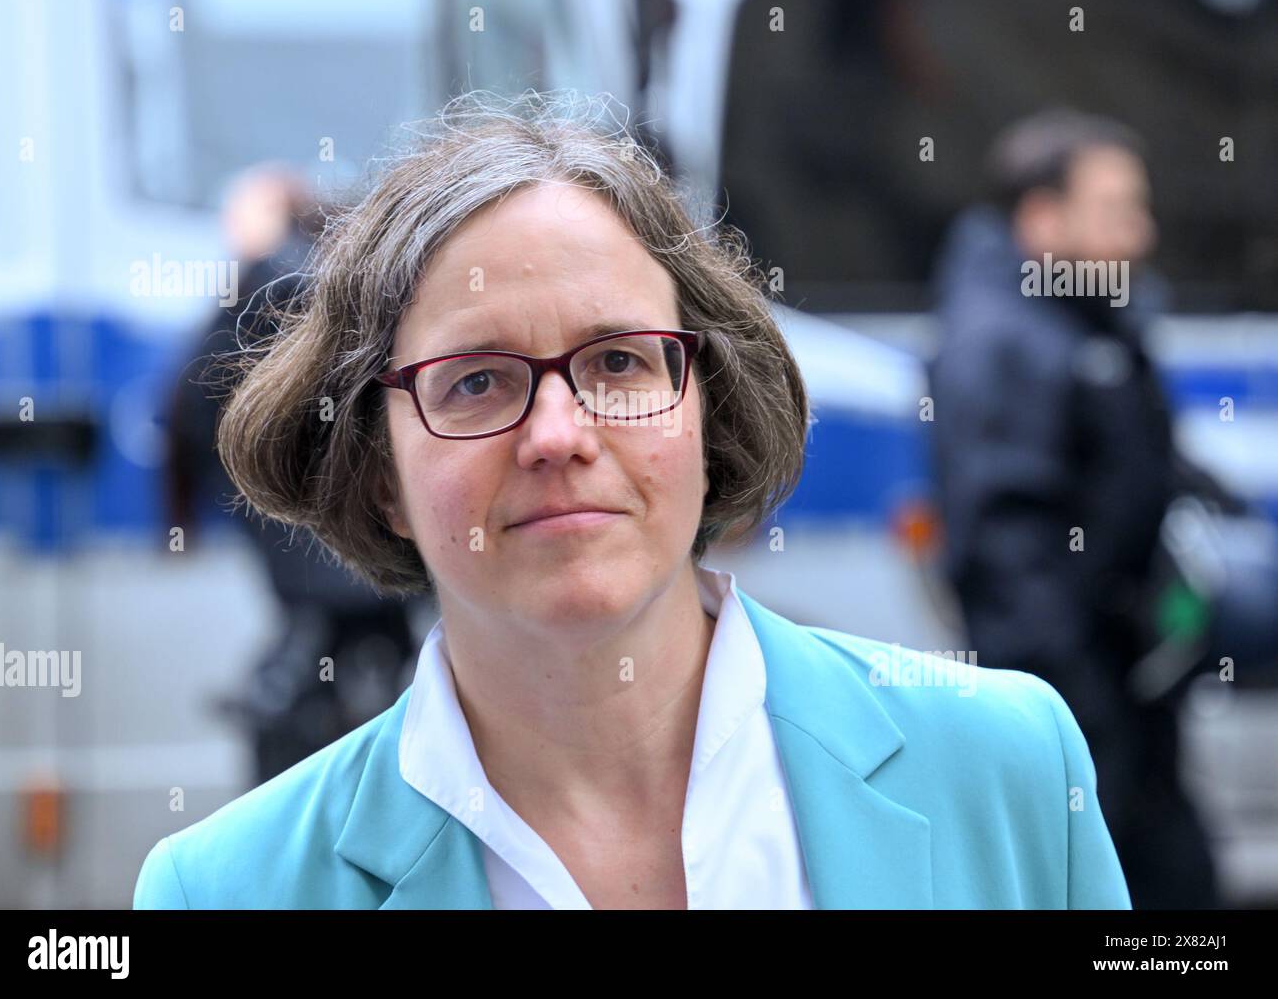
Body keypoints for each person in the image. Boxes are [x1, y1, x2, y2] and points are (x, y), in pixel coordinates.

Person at [134, 90, 1129, 909]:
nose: (559, 435)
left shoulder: (1008, 767)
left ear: (710, 411)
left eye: (616, 361)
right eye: (475, 381)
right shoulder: (226, 889)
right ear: (377, 471)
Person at [928, 107, 1219, 909]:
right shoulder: (1005, 346)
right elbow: (1005, 554)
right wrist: (1074, 715)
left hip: (1125, 683)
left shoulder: (1082, 322)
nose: (1142, 234)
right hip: (1080, 703)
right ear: (1043, 219)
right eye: (1118, 211)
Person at [165, 163, 418, 784]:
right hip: (369, 536)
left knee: (314, 656)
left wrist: (187, 508)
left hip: (314, 534)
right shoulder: (352, 278)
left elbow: (183, 404)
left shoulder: (267, 281)